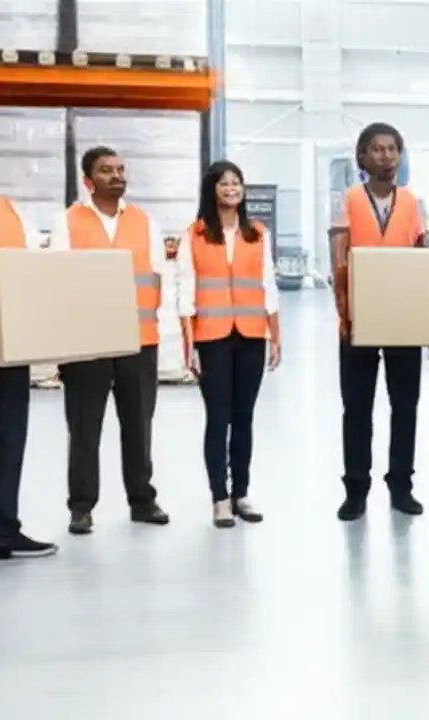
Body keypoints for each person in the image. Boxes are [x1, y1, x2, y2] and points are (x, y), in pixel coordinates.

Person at [49, 146, 173, 535]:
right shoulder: (68, 222)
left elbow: (158, 279)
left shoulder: (144, 222)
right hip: (86, 343)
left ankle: (142, 500)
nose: (117, 176)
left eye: (120, 169)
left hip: (139, 340)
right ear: (89, 181)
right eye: (106, 170)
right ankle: (81, 507)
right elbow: (58, 284)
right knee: (85, 427)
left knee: (138, 425)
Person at [0, 117, 58, 579]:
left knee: (10, 439)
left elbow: (30, 271)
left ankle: (3, 529)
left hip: (11, 343)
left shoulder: (10, 211)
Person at [177, 160, 281, 528]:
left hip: (251, 334)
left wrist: (275, 335)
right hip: (213, 336)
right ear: (212, 189)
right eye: (224, 183)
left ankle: (242, 493)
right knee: (218, 417)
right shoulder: (195, 234)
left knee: (244, 418)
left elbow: (268, 284)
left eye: (236, 182)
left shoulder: (257, 233)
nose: (231, 188)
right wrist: (189, 344)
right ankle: (219, 497)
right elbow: (185, 289)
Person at [333, 123, 426, 521]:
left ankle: (401, 485)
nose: (385, 156)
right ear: (362, 157)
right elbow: (339, 261)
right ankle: (356, 488)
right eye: (376, 149)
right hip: (360, 319)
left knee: (405, 406)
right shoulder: (349, 200)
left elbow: (424, 258)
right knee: (357, 407)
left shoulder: (413, 203)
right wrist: (345, 314)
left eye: (391, 149)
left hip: (403, 318)